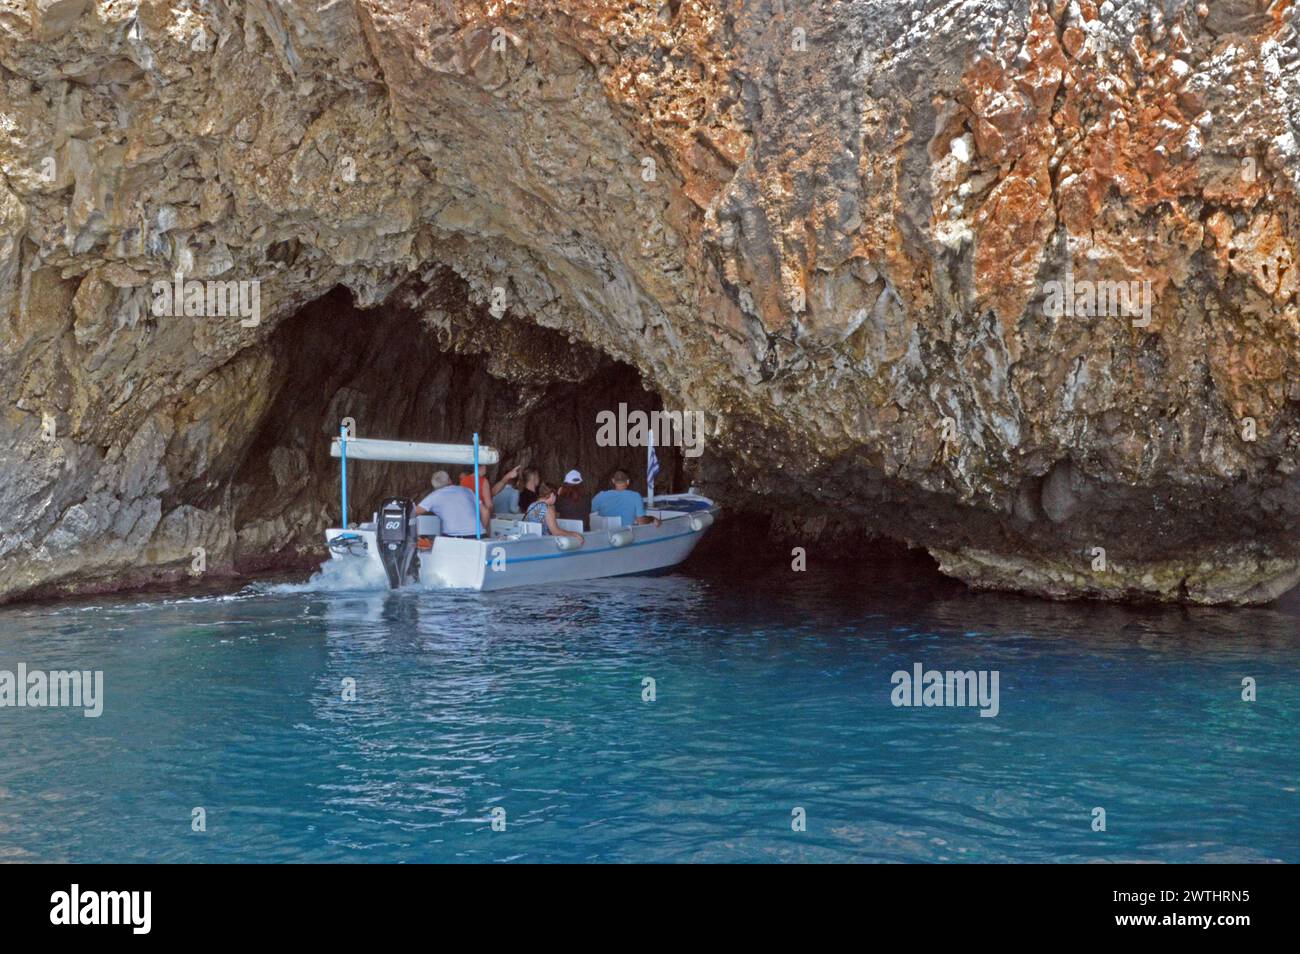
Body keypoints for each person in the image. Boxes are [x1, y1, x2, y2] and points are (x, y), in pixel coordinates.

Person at [416, 470, 489, 538]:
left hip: (454, 538)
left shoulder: (435, 496)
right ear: (450, 480)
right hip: (479, 535)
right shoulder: (467, 490)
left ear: (434, 486)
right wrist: (482, 530)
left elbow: (414, 512)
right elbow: (485, 512)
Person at [591, 470, 660, 528]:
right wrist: (652, 518)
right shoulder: (635, 496)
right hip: (626, 537)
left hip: (604, 536)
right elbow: (641, 521)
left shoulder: (601, 496)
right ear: (627, 481)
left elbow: (589, 512)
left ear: (613, 481)